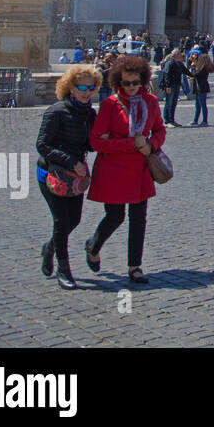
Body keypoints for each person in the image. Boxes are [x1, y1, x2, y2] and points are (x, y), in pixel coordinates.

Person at [85, 55, 164, 285]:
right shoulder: (110, 105)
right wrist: (131, 143)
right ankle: (93, 245)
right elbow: (96, 141)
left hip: (140, 168)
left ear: (143, 81)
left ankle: (135, 265)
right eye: (126, 83)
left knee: (139, 218)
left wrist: (151, 145)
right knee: (115, 215)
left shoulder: (150, 102)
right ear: (118, 82)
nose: (131, 88)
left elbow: (159, 130)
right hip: (114, 170)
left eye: (135, 83)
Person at [36, 65, 99, 289]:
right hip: (51, 173)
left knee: (75, 220)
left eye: (91, 88)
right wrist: (71, 161)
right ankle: (64, 269)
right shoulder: (56, 111)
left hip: (75, 175)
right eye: (81, 86)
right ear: (70, 87)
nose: (86, 91)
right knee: (61, 221)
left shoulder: (90, 113)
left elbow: (90, 144)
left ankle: (50, 247)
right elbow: (42, 145)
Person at [158, 48, 190, 128]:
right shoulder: (170, 63)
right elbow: (166, 74)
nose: (181, 55)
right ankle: (167, 121)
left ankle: (172, 120)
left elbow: (186, 71)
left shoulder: (179, 63)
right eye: (179, 54)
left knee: (173, 103)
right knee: (169, 102)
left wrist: (195, 75)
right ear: (176, 55)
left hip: (176, 85)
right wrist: (167, 86)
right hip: (171, 85)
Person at [189, 51, 214, 126]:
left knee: (202, 105)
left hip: (201, 87)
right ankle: (195, 120)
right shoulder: (202, 67)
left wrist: (193, 66)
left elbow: (195, 74)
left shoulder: (203, 69)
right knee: (198, 105)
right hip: (199, 87)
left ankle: (205, 121)